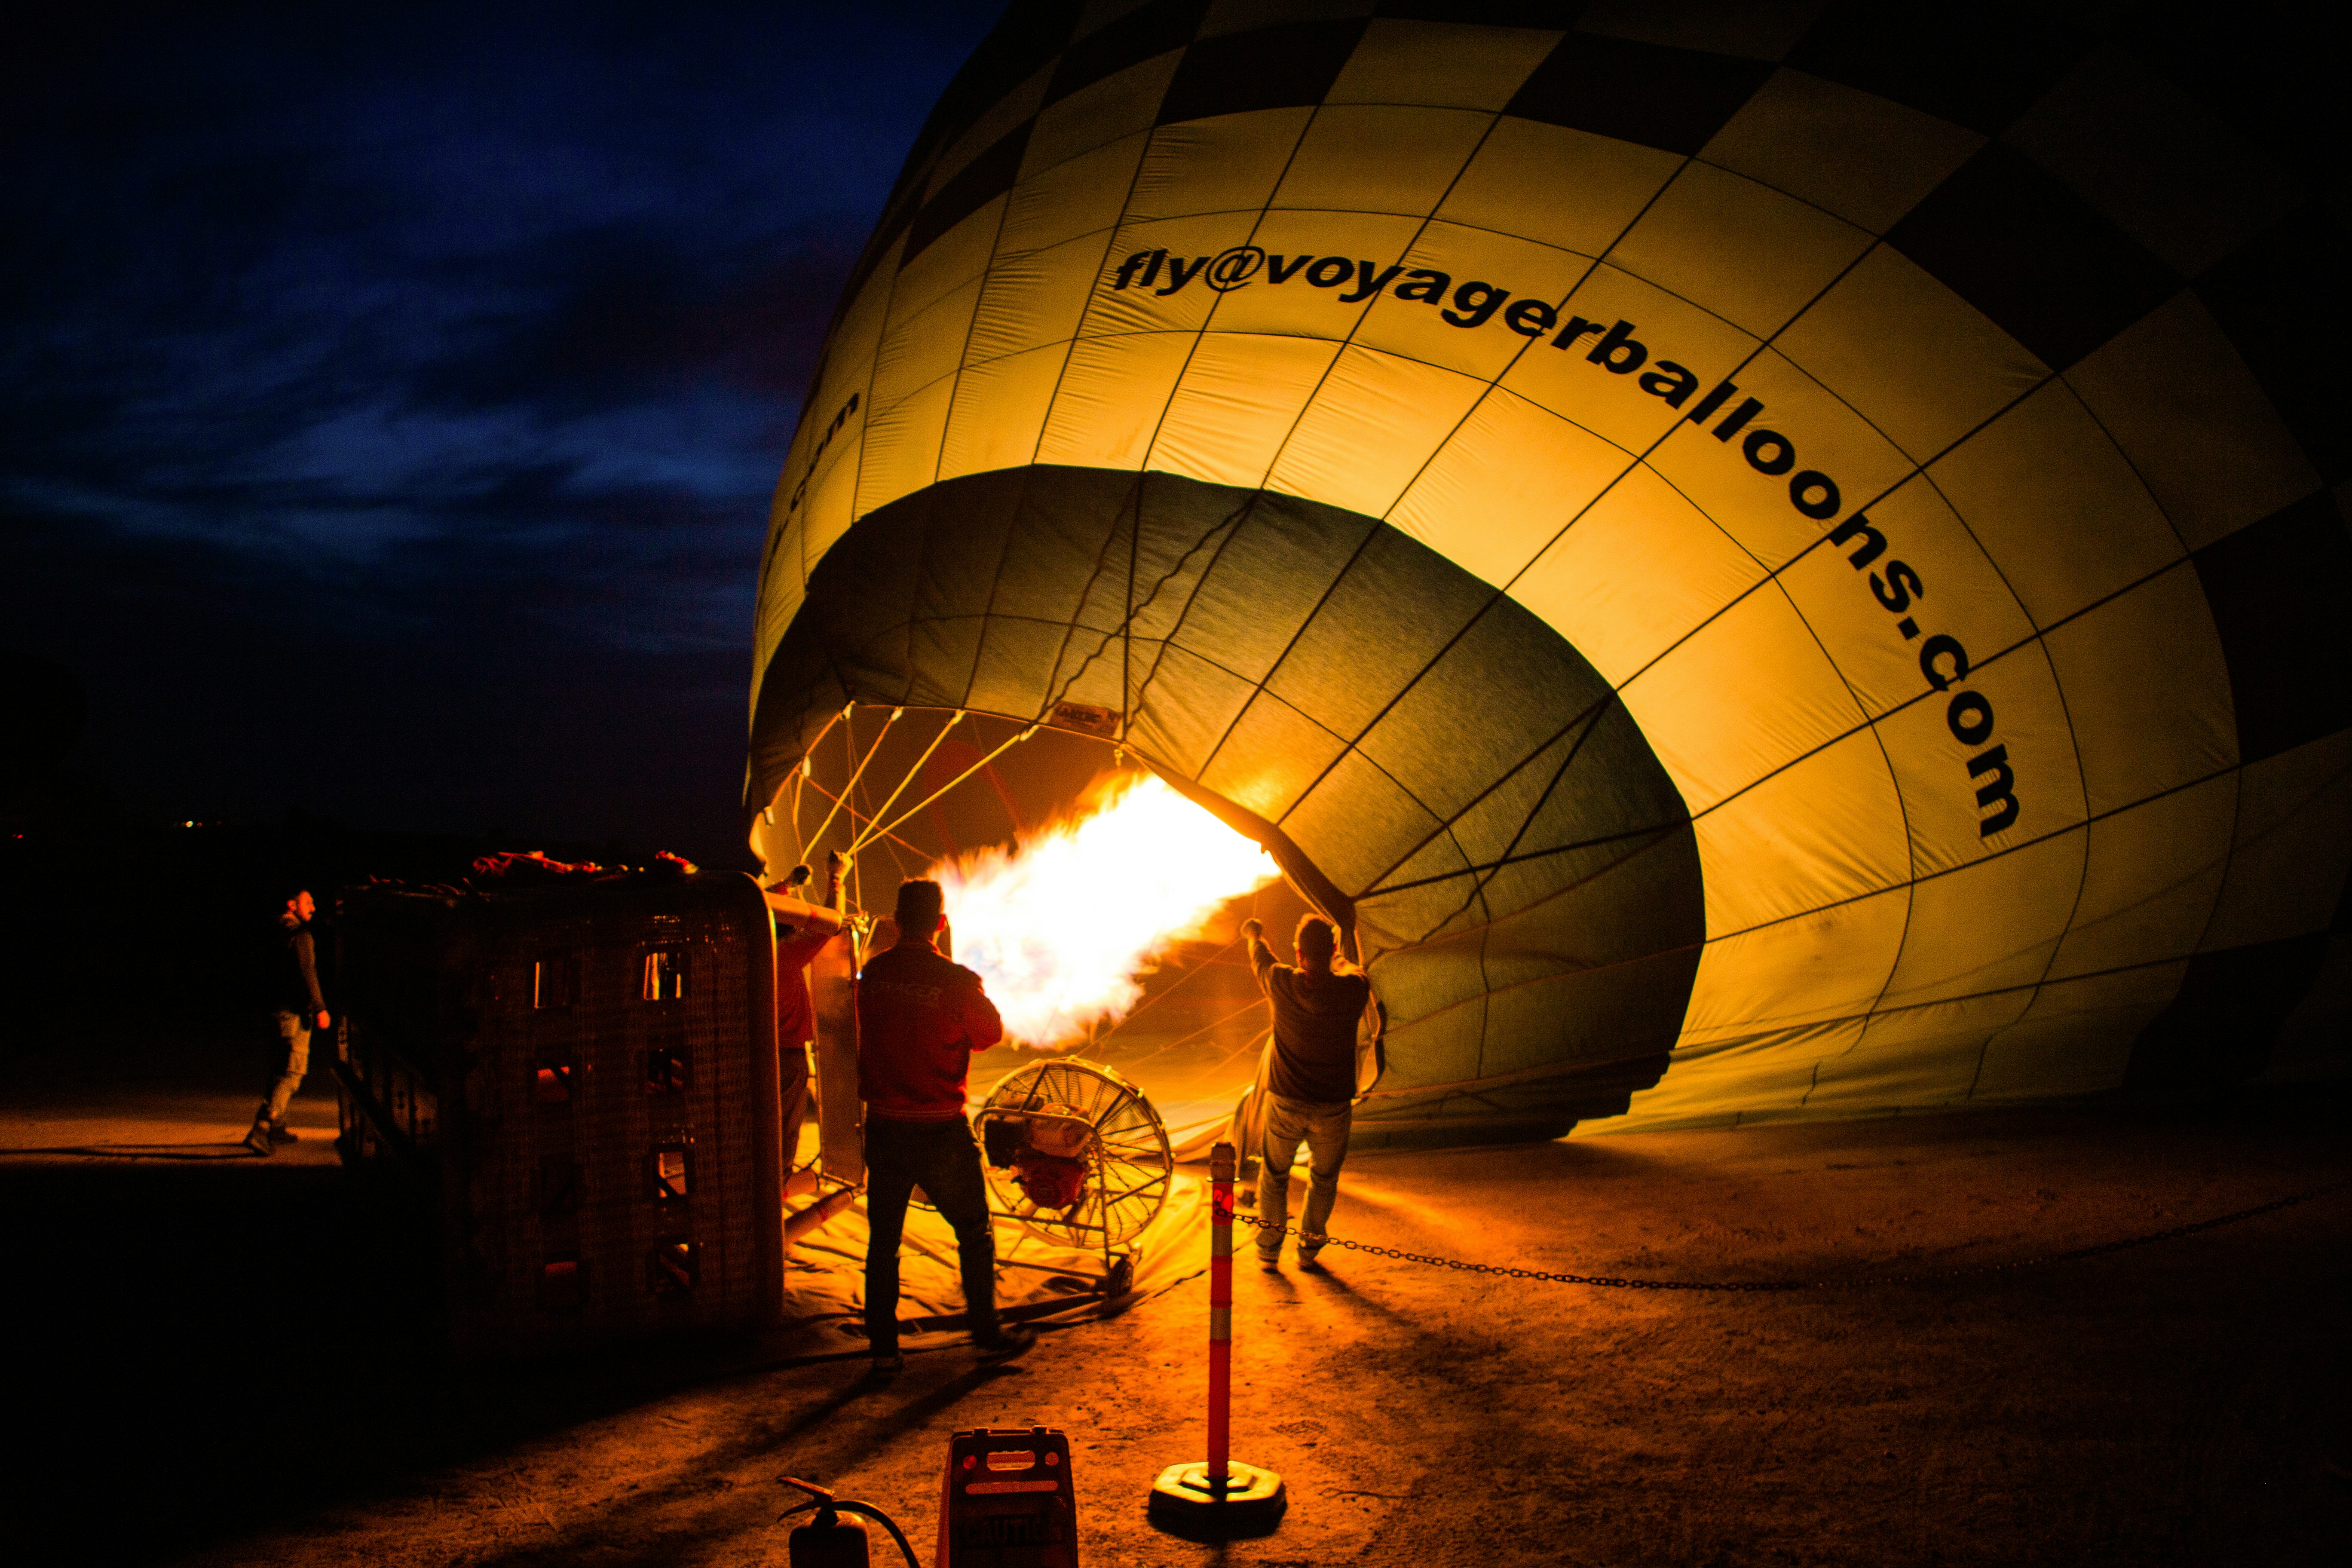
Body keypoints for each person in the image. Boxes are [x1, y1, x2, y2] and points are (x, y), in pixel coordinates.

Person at [855, 877, 1034, 1378]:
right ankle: (986, 1334)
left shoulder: (873, 973)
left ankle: (884, 1351)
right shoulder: (956, 980)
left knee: (883, 1242)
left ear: (895, 921)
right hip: (939, 1130)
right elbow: (989, 1033)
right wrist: (950, 969)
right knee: (974, 1232)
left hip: (885, 1127)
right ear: (940, 921)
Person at [1242, 913, 1370, 1271]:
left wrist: (1254, 933)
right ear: (1330, 951)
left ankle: (1269, 1251)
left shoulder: (1281, 982)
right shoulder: (1352, 990)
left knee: (1275, 1175)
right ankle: (1309, 1252)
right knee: (1324, 1179)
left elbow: (1260, 957)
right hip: (1332, 1108)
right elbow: (1357, 971)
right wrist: (1338, 959)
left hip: (1285, 1102)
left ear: (1298, 955)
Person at [246, 889, 329, 1157]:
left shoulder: (271, 932)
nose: (314, 908)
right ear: (291, 905)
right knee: (292, 1072)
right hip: (293, 1012)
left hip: (272, 1010)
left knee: (279, 1066)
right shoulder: (300, 936)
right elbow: (309, 973)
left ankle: (278, 1127)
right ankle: (262, 1127)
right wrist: (320, 1008)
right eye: (309, 902)